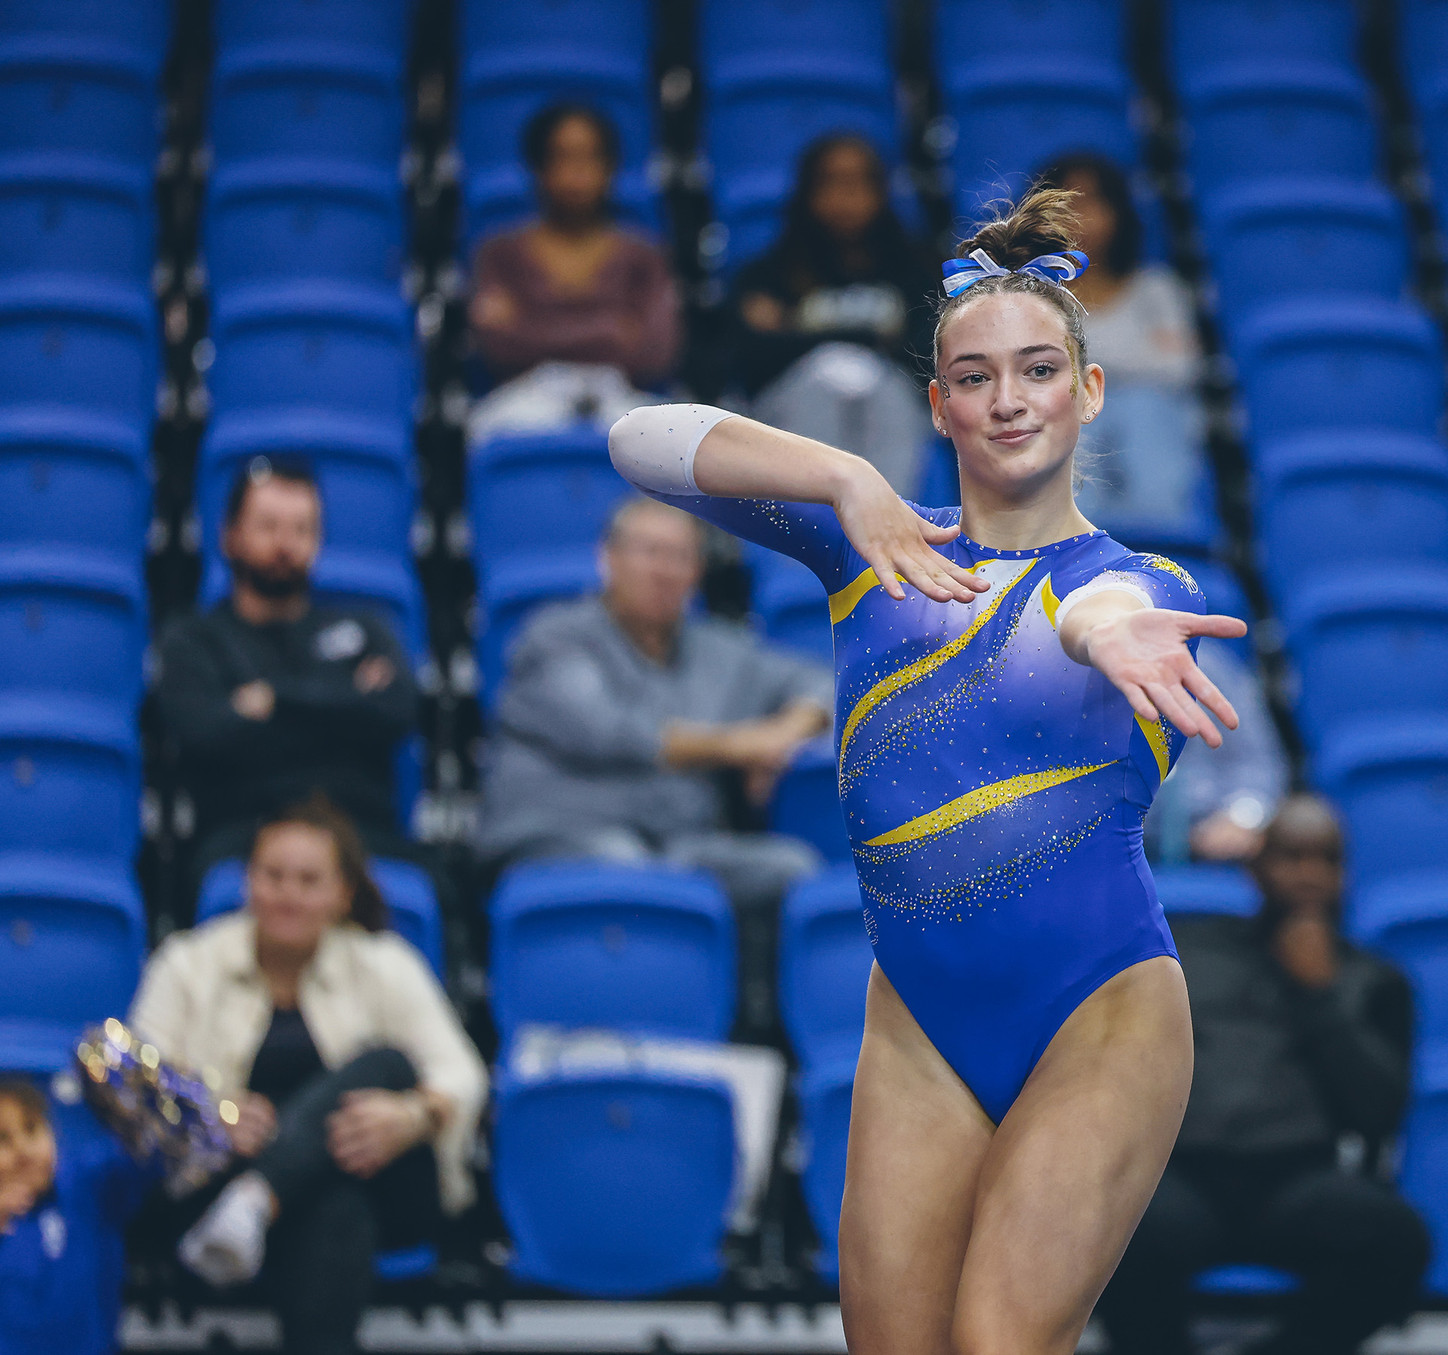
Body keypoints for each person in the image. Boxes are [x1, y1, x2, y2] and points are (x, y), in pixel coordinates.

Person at [608, 183, 1247, 1354]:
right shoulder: (877, 550)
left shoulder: (1148, 587)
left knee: (1000, 1337)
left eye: (1040, 369)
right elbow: (638, 442)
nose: (1008, 400)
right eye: (974, 376)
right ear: (940, 403)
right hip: (919, 1018)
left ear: (1090, 388)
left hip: (1102, 1011)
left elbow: (1099, 605)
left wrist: (1097, 627)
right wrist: (844, 478)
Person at [126, 797, 485, 1355]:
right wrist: (212, 1113)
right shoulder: (188, 962)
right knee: (331, 1201)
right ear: (249, 881)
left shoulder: (385, 963)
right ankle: (261, 1197)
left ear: (342, 893)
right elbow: (135, 1084)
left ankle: (257, 1199)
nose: (287, 894)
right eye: (272, 876)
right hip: (222, 1179)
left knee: (386, 1067)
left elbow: (461, 1073)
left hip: (375, 1173)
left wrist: (413, 1115)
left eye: (308, 880)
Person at [476, 494, 834, 1034]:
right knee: (622, 864)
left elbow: (820, 682)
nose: (665, 572)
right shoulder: (554, 636)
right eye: (650, 553)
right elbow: (608, 731)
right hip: (560, 833)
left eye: (681, 557)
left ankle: (752, 1036)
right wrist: (740, 746)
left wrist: (782, 734)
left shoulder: (719, 650)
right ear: (608, 560)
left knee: (790, 871)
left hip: (678, 846)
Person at [1097, 795, 1429, 1355]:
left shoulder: (1374, 981)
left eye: (1326, 860)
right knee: (1113, 1230)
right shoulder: (1193, 956)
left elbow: (1379, 1114)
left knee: (1396, 1240)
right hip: (1183, 1180)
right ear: (1255, 867)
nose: (1309, 876)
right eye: (1290, 857)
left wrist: (1320, 994)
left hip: (1295, 1184)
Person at [156, 456, 420, 890]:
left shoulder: (363, 629)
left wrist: (272, 701)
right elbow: (206, 734)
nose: (286, 544)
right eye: (269, 526)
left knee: (438, 886)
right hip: (242, 835)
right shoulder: (192, 641)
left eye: (303, 529)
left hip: (361, 833)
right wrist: (345, 698)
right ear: (230, 536)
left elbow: (397, 712)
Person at [729, 133, 937, 494]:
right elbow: (751, 360)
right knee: (828, 377)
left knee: (879, 386)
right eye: (832, 183)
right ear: (807, 192)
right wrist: (868, 337)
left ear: (882, 191)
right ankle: (813, 523)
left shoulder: (918, 270)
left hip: (891, 405)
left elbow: (927, 357)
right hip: (796, 407)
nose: (846, 198)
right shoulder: (767, 275)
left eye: (858, 183)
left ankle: (892, 516)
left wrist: (796, 329)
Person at [467, 103, 684, 442]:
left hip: (622, 399)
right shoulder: (500, 253)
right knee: (485, 433)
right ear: (538, 167)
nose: (577, 173)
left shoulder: (644, 256)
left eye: (589, 158)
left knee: (674, 439)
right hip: (524, 398)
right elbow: (498, 346)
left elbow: (656, 353)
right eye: (562, 157)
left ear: (610, 167)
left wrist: (533, 326)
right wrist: (611, 328)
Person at [1036, 152, 1209, 525]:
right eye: (1063, 204)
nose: (1078, 217)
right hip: (1069, 417)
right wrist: (1130, 358)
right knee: (1071, 411)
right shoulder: (1033, 298)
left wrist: (1083, 359)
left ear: (1118, 212)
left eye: (1090, 203)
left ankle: (1157, 545)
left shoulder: (1157, 290)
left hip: (1152, 422)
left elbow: (1178, 369)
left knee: (1143, 407)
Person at [0, 1080, 150, 1355]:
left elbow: (149, 1149)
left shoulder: (86, 1187)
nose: (22, 1149)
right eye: (2, 1139)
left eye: (31, 1128)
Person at [1144, 636, 1287, 864]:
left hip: (1218, 847)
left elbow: (1258, 763)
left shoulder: (1210, 666)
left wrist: (1240, 817)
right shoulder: (1082, 676)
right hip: (1119, 851)